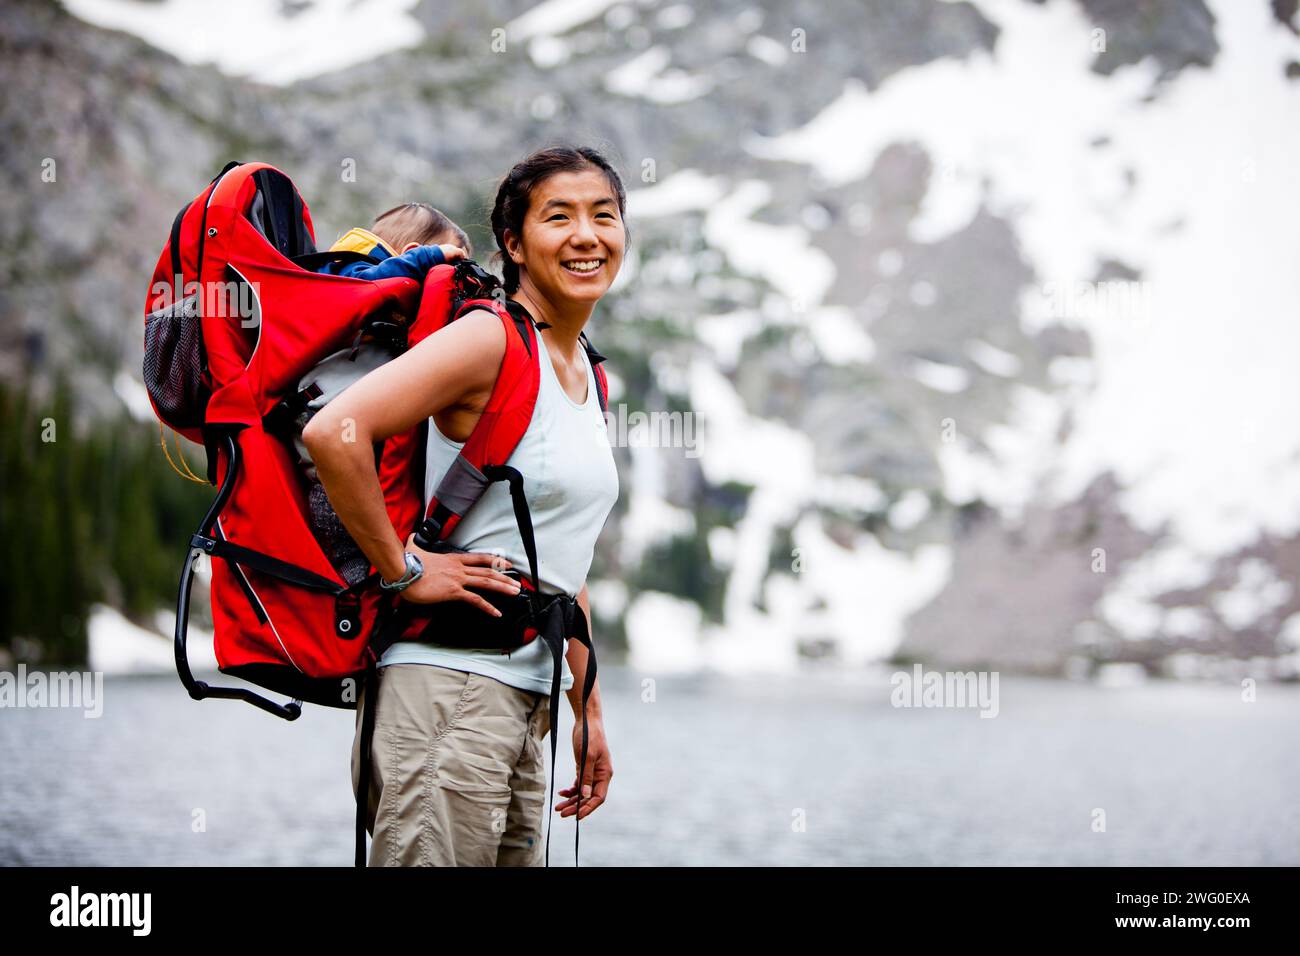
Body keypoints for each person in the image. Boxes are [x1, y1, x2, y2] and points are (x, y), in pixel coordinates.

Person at [302, 145, 626, 866]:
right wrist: (404, 570)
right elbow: (335, 432)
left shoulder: (585, 374)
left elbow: (562, 565)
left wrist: (586, 707)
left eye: (604, 216)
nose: (586, 236)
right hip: (446, 694)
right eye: (559, 217)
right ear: (513, 243)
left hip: (523, 701)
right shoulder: (489, 339)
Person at [297, 203, 472, 585]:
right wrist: (432, 260)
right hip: (326, 440)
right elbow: (374, 285)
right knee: (347, 548)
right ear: (411, 254)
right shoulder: (347, 271)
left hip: (339, 431)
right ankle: (361, 587)